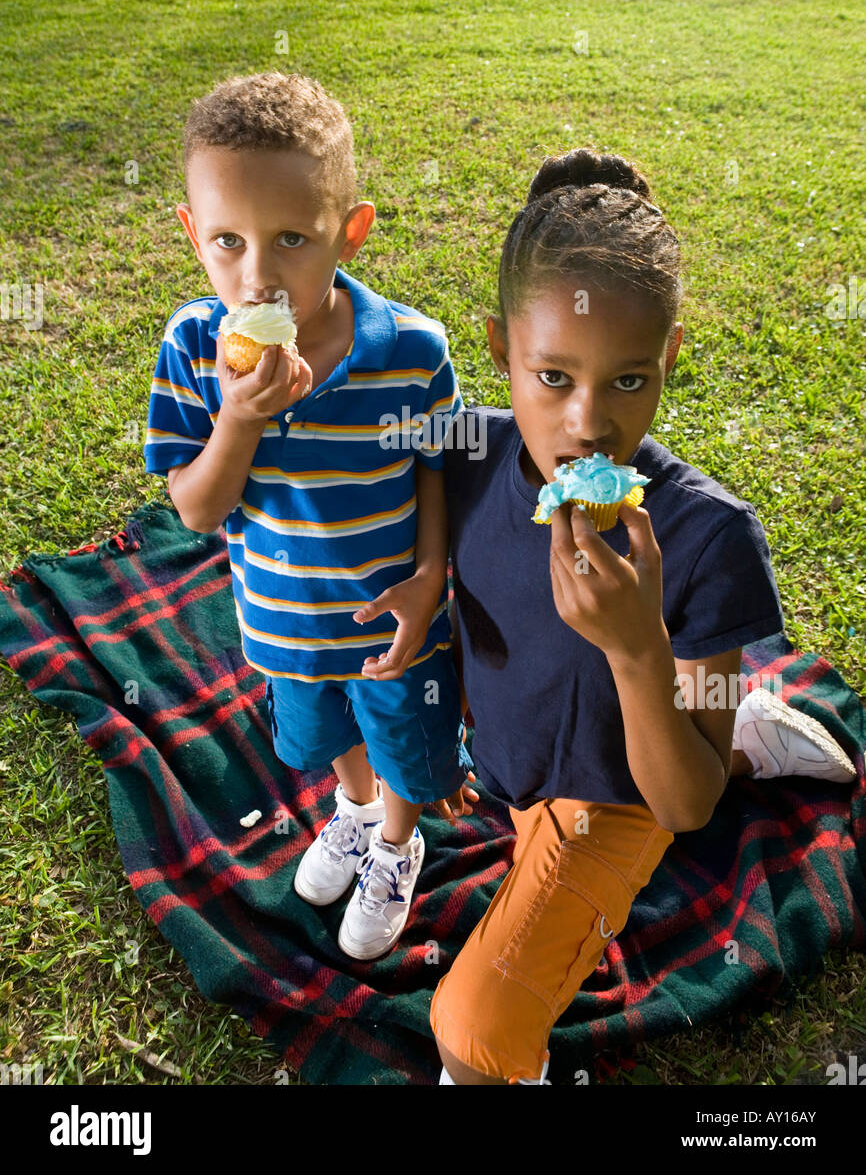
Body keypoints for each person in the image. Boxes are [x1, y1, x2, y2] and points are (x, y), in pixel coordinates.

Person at [431, 148, 855, 1085]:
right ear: (501, 351)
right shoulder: (468, 447)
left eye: (629, 380)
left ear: (668, 359)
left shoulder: (711, 541)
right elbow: (368, 426)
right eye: (551, 378)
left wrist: (635, 650)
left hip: (618, 799)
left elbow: (686, 805)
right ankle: (743, 731)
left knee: (470, 1036)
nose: (588, 424)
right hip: (504, 765)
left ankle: (729, 732)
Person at [143, 71, 473, 961]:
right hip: (286, 624)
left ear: (349, 230)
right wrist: (239, 418)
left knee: (404, 737)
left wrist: (430, 577)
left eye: (292, 238)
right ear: (191, 235)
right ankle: (356, 812)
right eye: (227, 242)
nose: (258, 274)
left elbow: (437, 467)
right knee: (327, 735)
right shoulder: (192, 348)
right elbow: (200, 508)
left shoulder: (410, 350)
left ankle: (398, 845)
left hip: (391, 620)